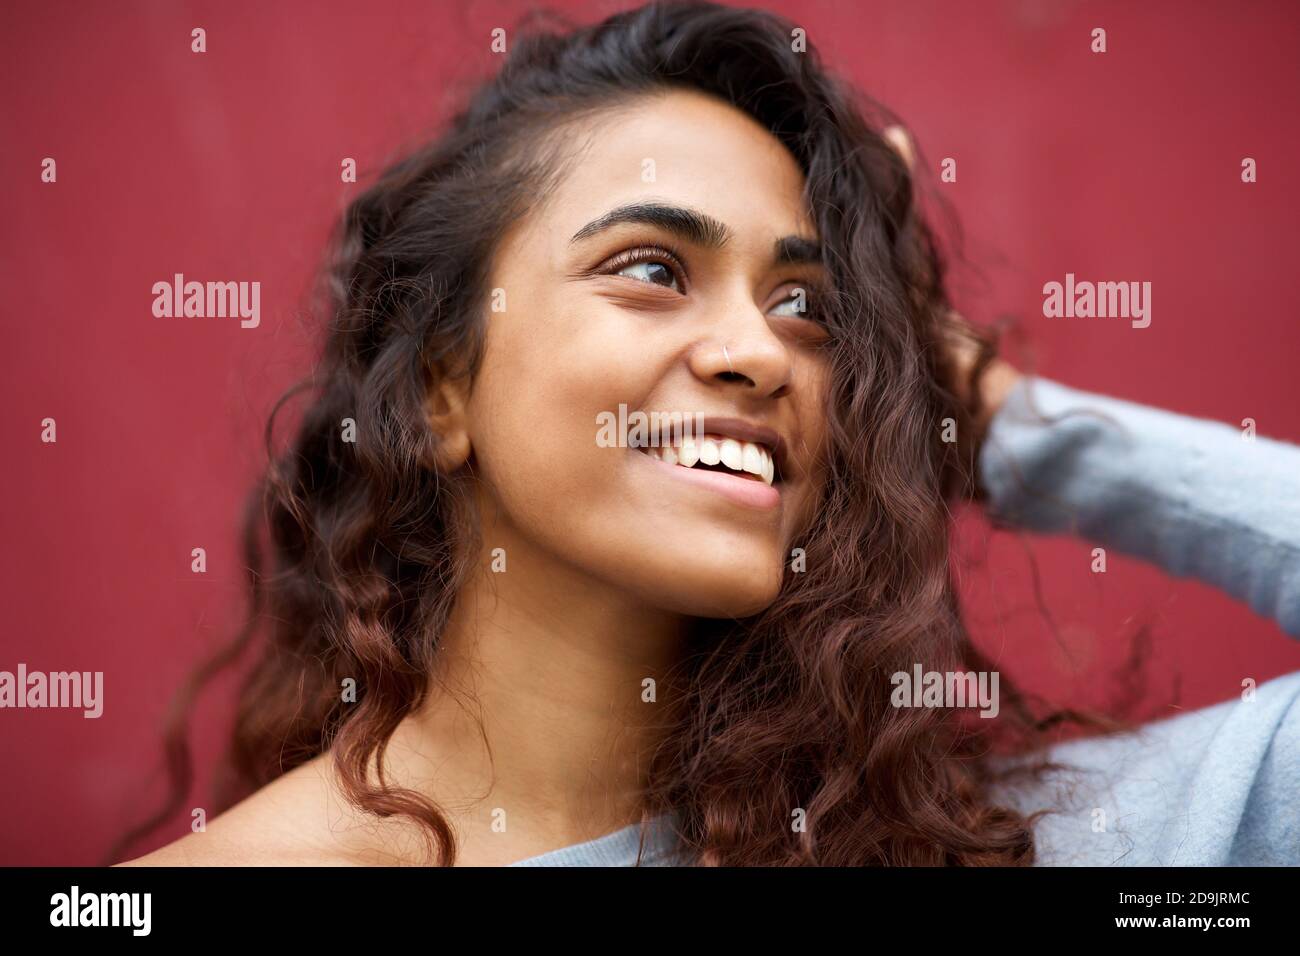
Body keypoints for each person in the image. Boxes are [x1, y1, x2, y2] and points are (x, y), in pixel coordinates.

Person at [113, 0, 1299, 867]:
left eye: (809, 307)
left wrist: (982, 414)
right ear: (438, 389)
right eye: (650, 268)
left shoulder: (1024, 848)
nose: (760, 351)